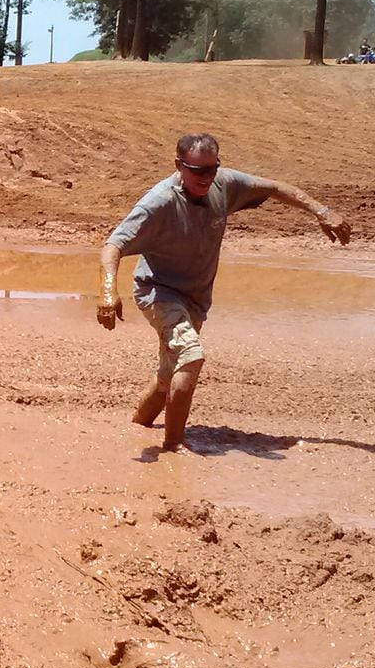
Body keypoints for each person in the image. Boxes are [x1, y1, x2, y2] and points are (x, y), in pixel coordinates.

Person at [97, 133, 352, 451]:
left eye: (211, 169)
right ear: (179, 165)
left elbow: (272, 188)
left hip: (195, 297)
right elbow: (113, 246)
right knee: (191, 357)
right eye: (196, 170)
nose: (205, 178)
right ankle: (174, 447)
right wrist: (108, 292)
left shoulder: (224, 184)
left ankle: (135, 428)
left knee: (169, 375)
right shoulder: (159, 202)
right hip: (158, 291)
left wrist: (321, 211)